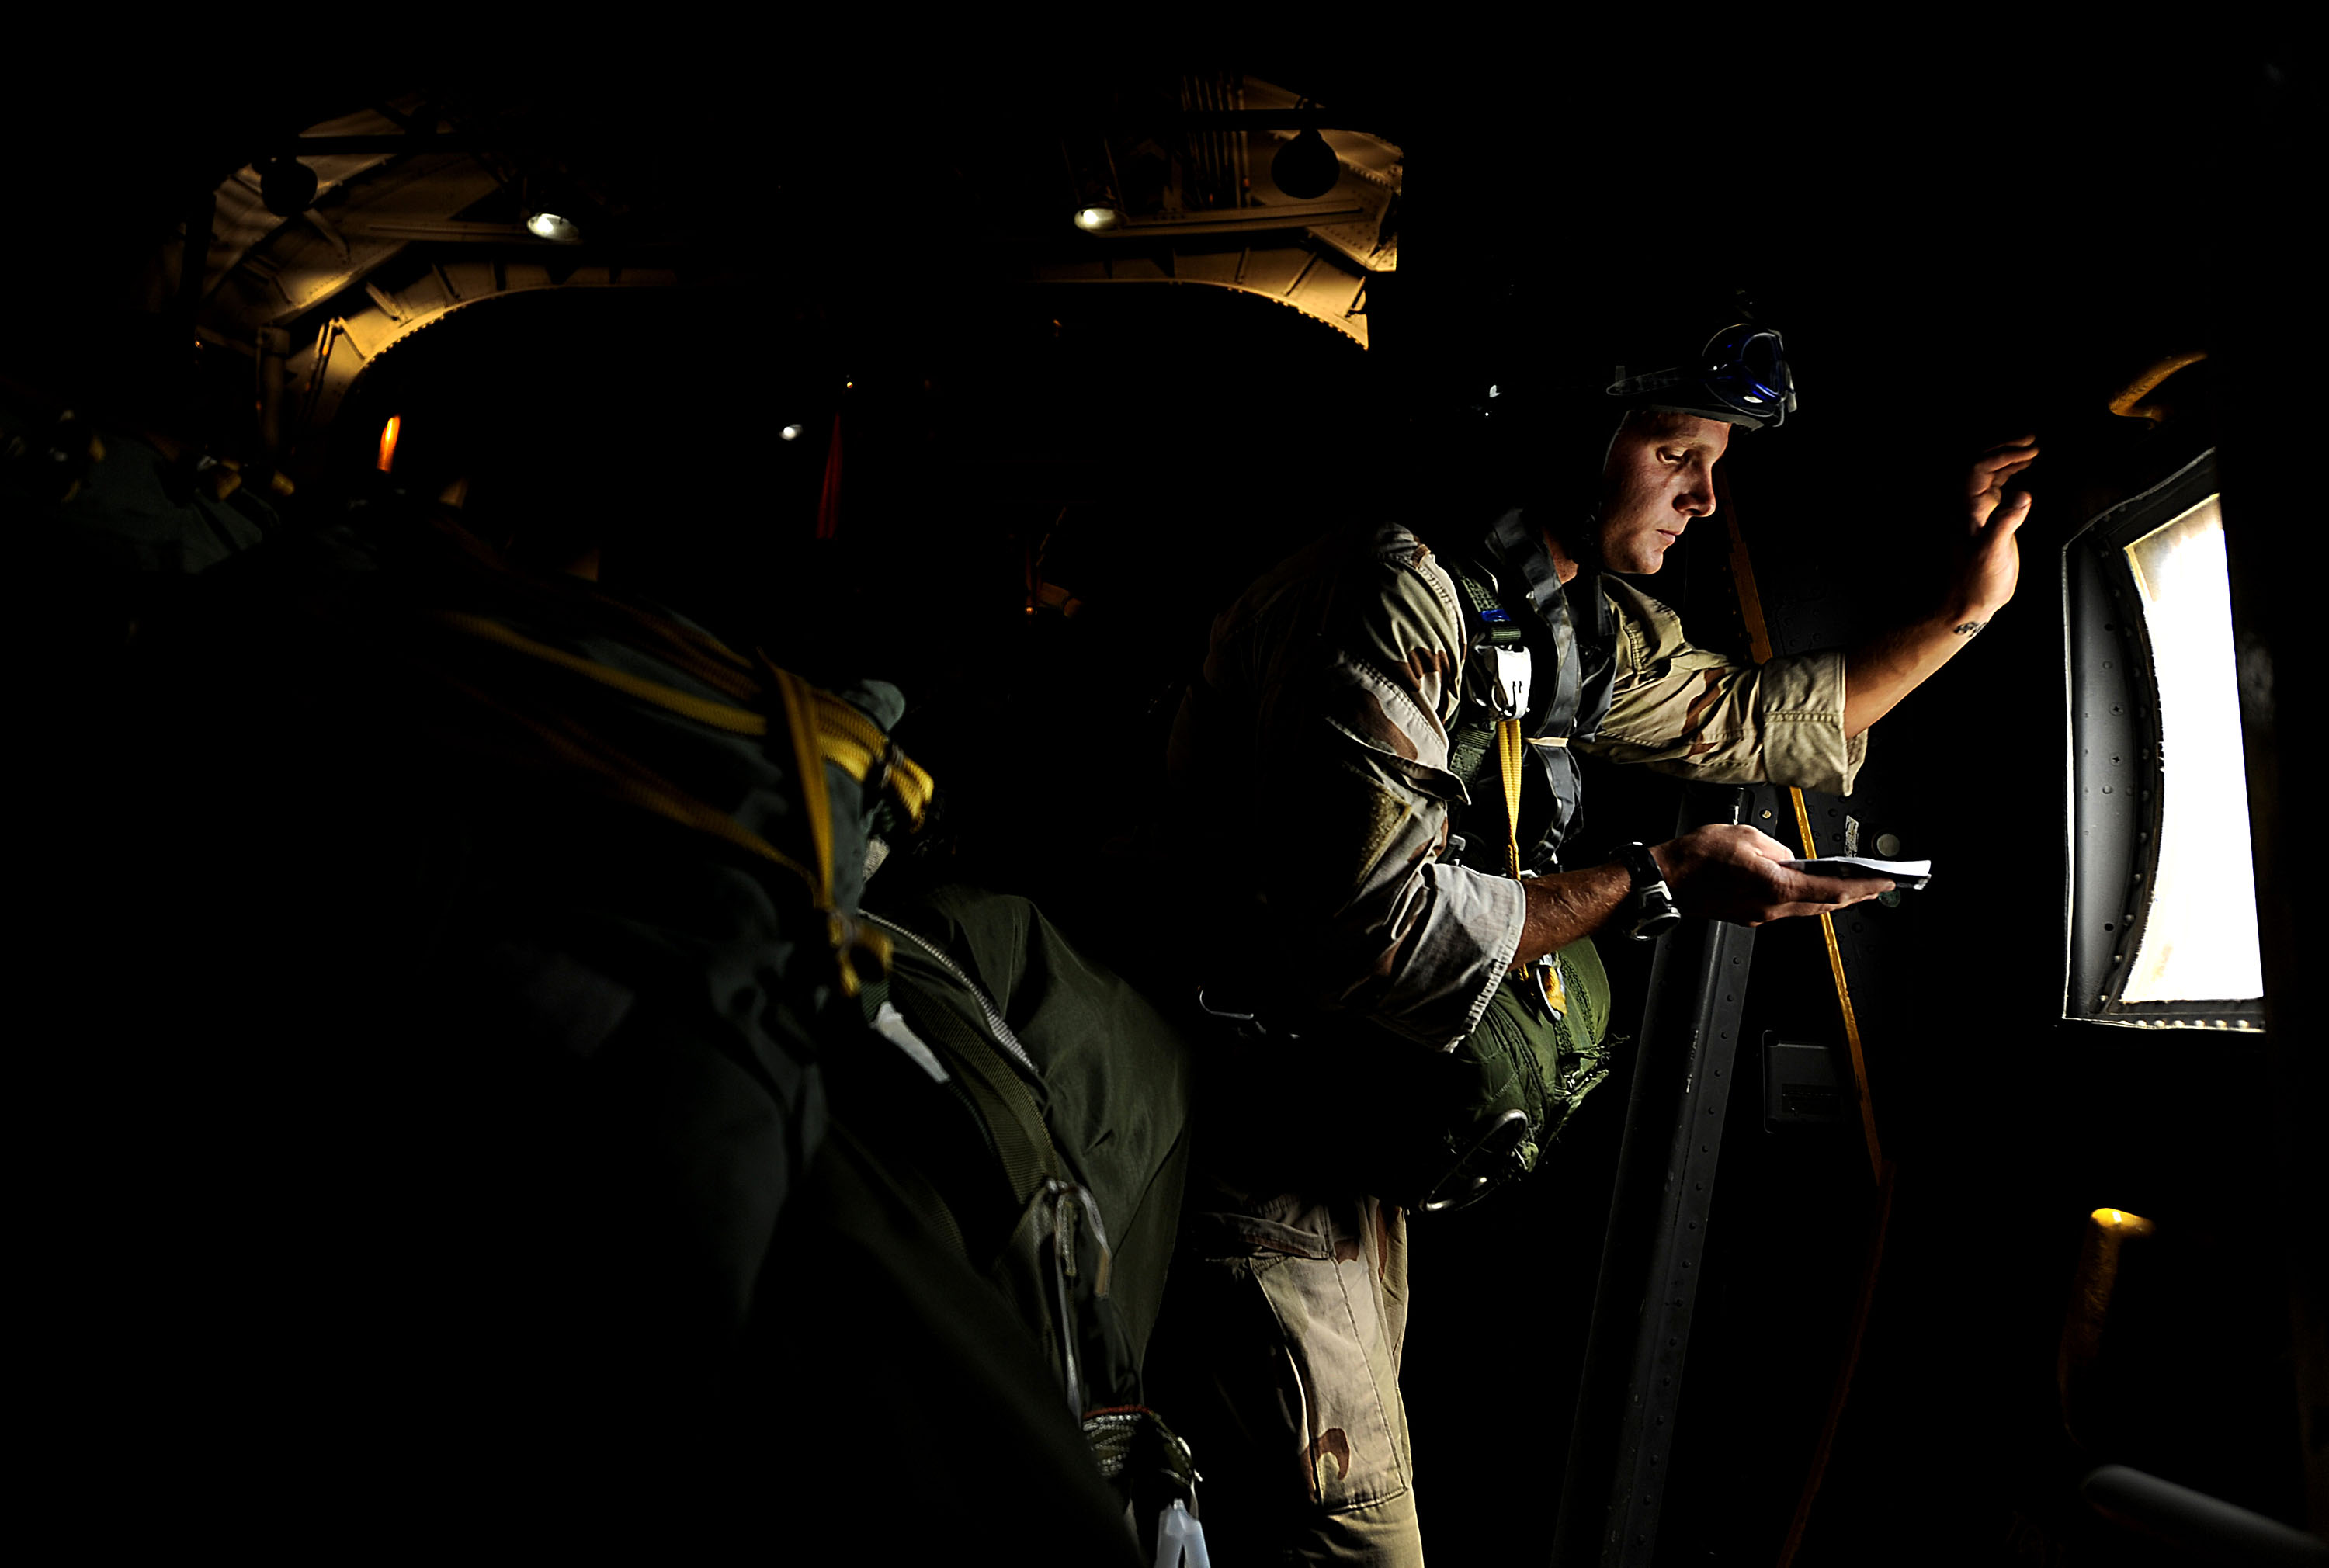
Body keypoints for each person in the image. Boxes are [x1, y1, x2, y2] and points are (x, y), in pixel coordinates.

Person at [1149, 314, 2039, 1564]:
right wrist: (1658, 876)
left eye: (1717, 459)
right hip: (1253, 1136)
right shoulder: (1393, 589)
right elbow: (1376, 933)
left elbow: (1746, 719)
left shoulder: (1558, 615)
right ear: (1573, 435)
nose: (1707, 497)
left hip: (1349, 1135)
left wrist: (1964, 608)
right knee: (1352, 1538)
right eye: (1677, 449)